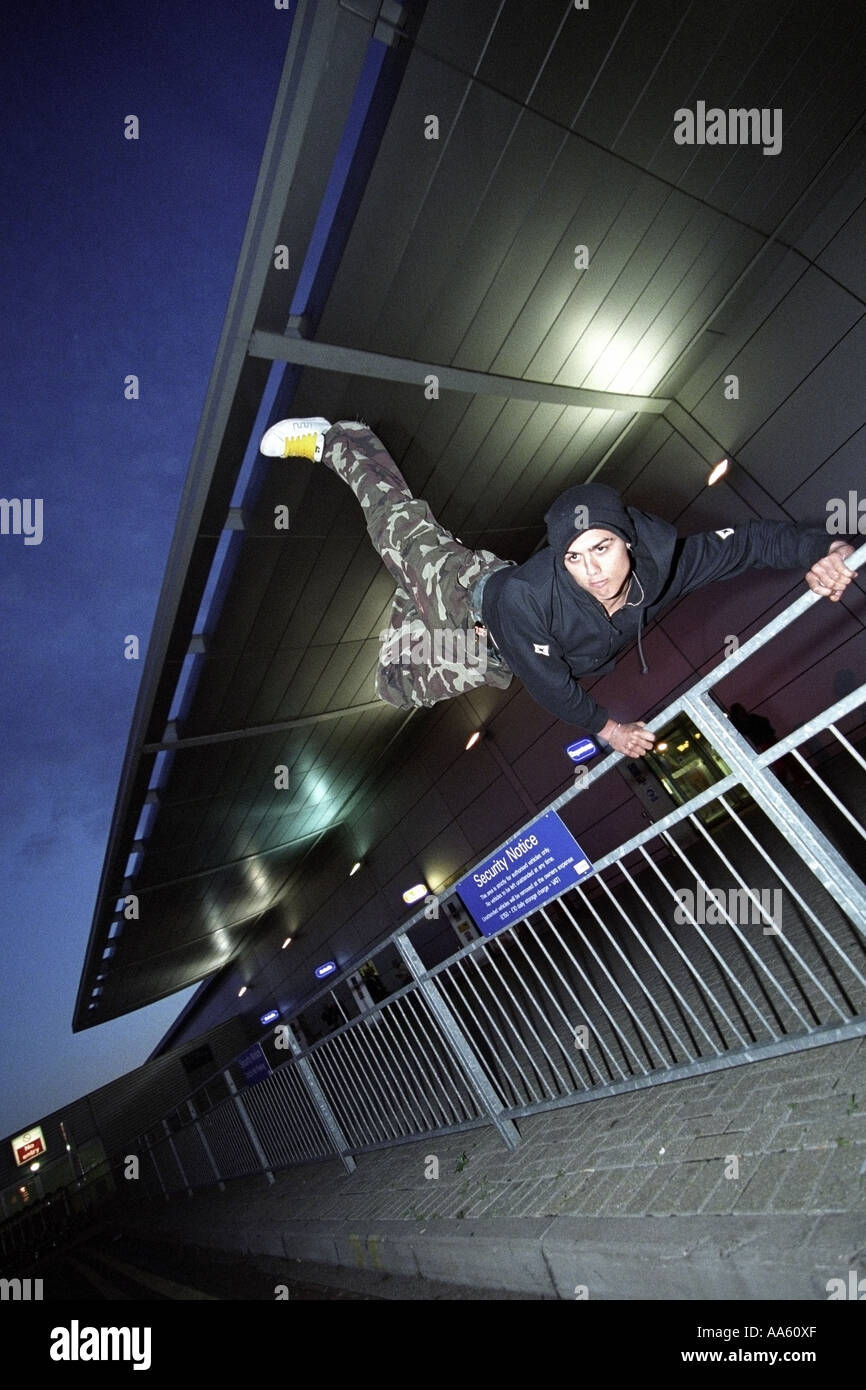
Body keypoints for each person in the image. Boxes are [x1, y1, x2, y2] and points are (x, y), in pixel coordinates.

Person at [260, 418, 856, 758]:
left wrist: (820, 551)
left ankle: (404, 597)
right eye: (574, 558)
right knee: (394, 526)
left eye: (603, 550)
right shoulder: (531, 594)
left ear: (628, 541)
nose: (593, 571)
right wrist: (610, 729)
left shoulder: (665, 565)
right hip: (469, 592)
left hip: (487, 649)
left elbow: (747, 545)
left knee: (393, 686)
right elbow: (554, 688)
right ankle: (340, 440)